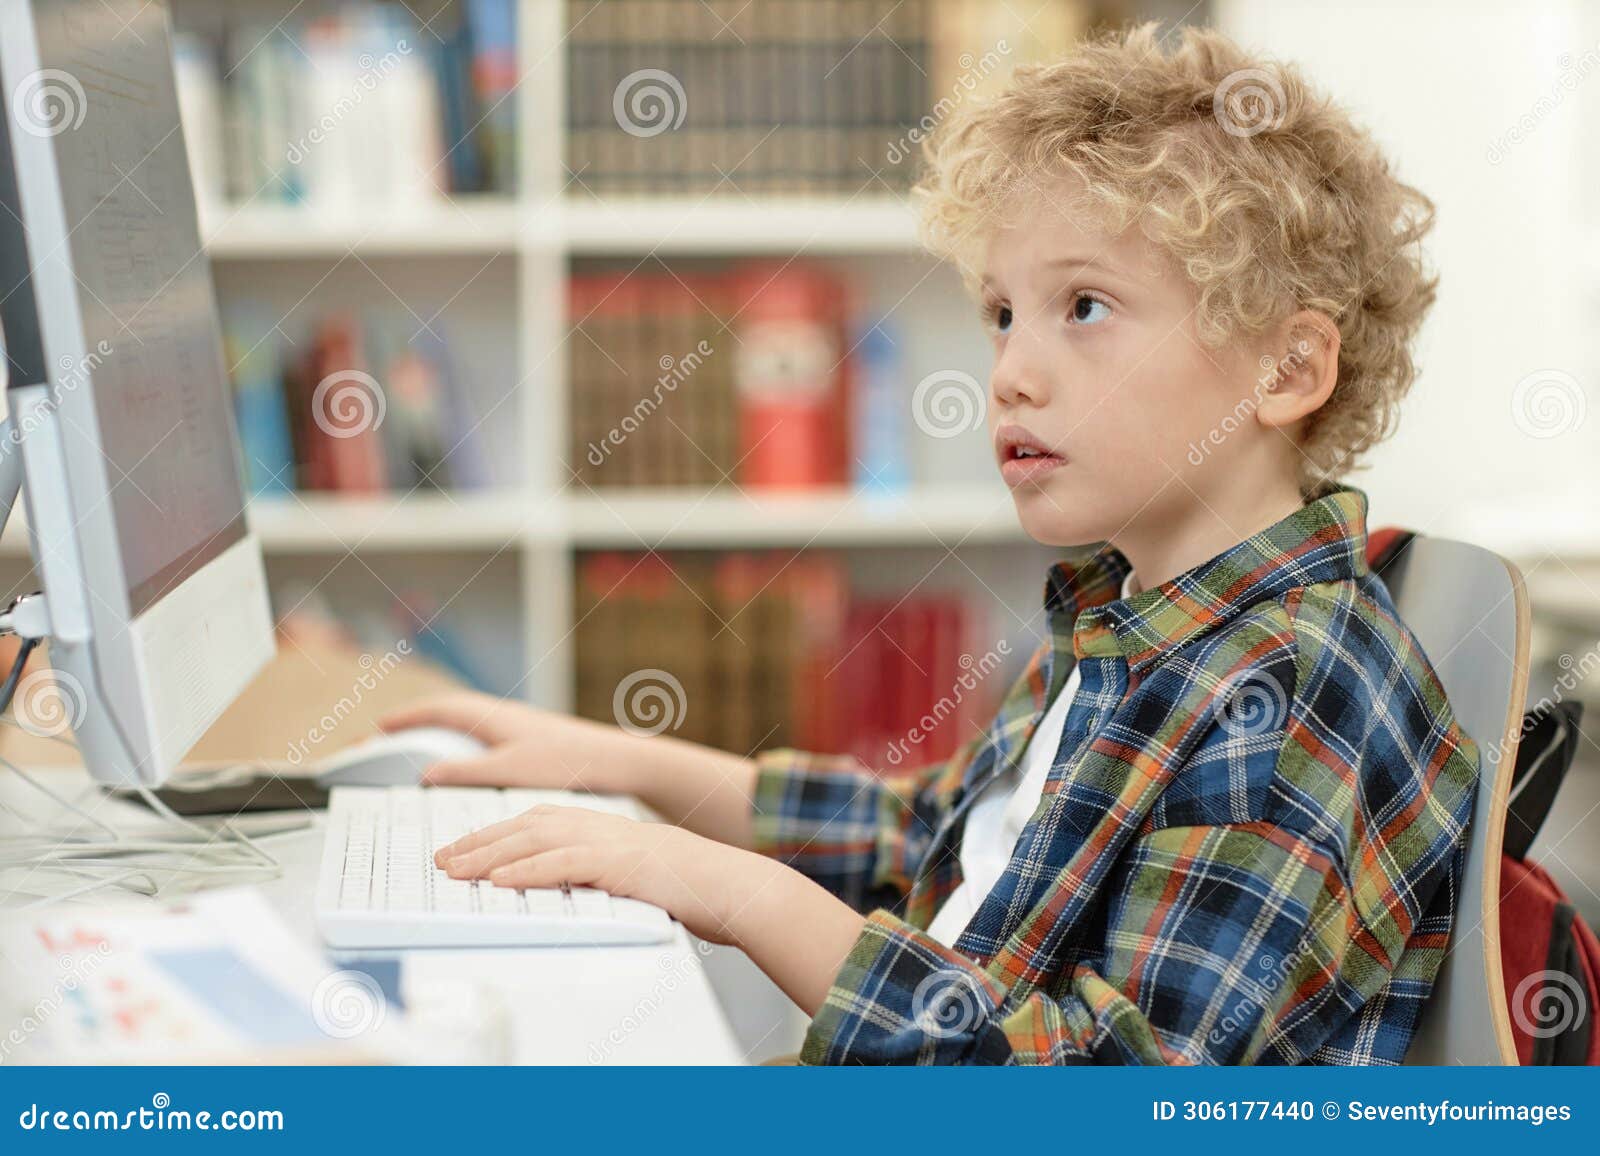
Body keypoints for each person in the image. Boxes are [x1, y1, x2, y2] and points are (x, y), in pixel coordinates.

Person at [382, 23, 1478, 1065]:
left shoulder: (1287, 683)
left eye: (1085, 307)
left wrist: (737, 893)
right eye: (1002, 314)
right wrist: (619, 765)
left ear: (1286, 369)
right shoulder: (1132, 614)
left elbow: (1117, 1089)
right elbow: (936, 840)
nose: (1011, 374)